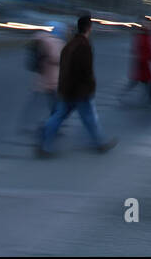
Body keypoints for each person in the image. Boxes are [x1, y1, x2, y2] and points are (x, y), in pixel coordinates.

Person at [37, 13, 118, 157]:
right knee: (89, 118)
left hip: (67, 89)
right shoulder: (84, 45)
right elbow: (85, 71)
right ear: (89, 28)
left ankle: (45, 144)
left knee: (59, 116)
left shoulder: (70, 44)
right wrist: (89, 87)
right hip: (79, 91)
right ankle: (101, 144)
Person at [20, 21, 66, 131]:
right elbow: (56, 58)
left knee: (37, 104)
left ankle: (28, 124)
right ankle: (53, 126)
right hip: (54, 80)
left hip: (41, 79)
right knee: (57, 106)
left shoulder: (40, 39)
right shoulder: (55, 42)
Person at [124, 23, 151, 105]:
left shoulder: (140, 37)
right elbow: (150, 51)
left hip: (141, 63)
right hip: (145, 64)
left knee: (142, 82)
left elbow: (134, 50)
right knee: (147, 82)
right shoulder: (147, 38)